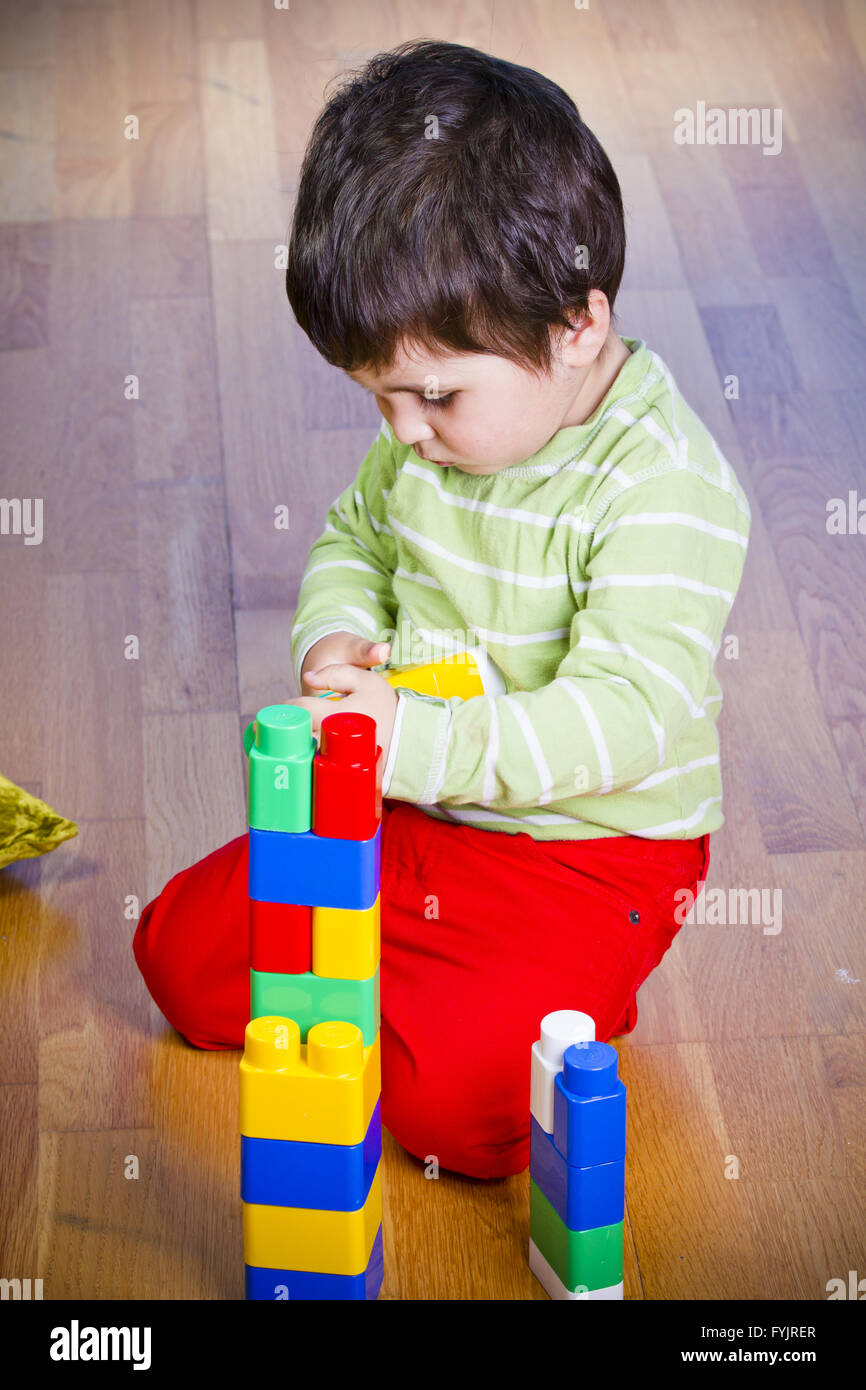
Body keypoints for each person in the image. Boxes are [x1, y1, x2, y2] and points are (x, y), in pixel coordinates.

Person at [133, 39, 750, 1180]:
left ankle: (500, 993)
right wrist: (329, 632)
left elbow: (620, 717)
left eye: (433, 395)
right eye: (379, 396)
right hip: (415, 809)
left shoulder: (664, 490)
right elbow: (354, 539)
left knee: (454, 1117)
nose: (403, 431)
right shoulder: (423, 438)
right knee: (173, 952)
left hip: (588, 859)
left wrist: (418, 742)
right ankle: (415, 958)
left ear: (577, 330)